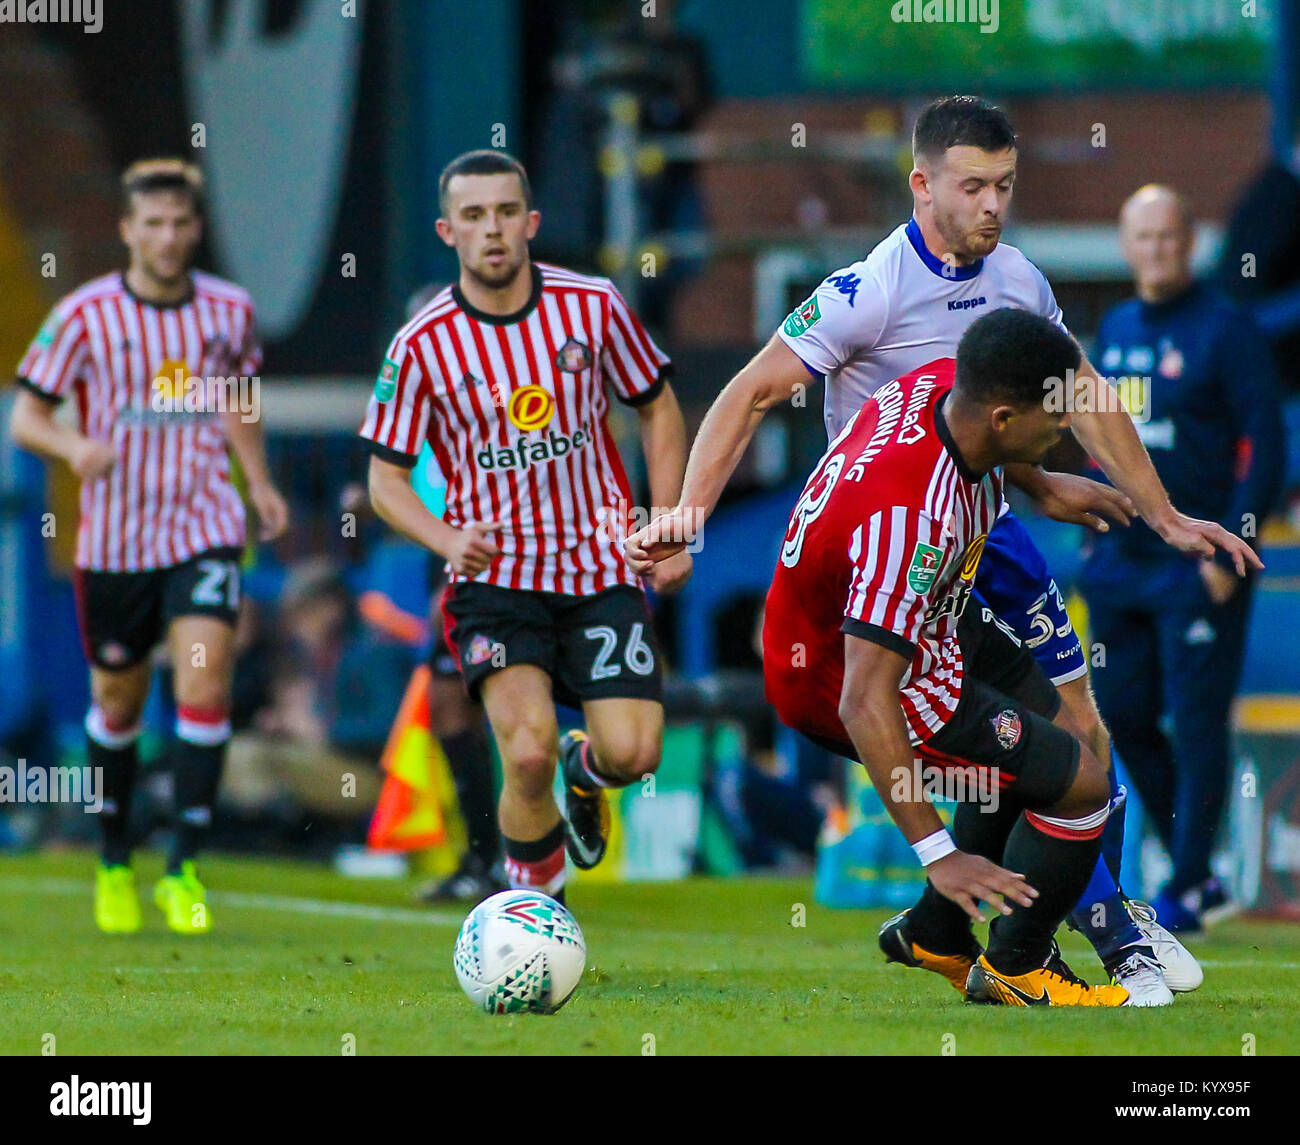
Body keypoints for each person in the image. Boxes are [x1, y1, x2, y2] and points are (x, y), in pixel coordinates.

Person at [627, 95, 1251, 1002]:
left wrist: (1155, 513)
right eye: (973, 186)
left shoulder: (1021, 281)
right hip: (896, 557)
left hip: (985, 535)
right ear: (921, 185)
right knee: (1043, 750)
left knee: (1074, 722)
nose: (993, 204)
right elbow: (752, 392)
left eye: (1005, 184)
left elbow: (1077, 395)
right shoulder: (866, 290)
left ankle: (966, 924)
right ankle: (1084, 924)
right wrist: (686, 512)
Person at [765, 309, 1141, 1004]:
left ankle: (936, 934)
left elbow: (987, 445)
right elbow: (862, 697)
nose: (1065, 429)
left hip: (932, 612)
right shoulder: (910, 523)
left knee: (1058, 732)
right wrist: (939, 854)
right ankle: (1018, 964)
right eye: (1054, 414)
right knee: (1082, 787)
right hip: (843, 671)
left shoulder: (939, 382)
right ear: (1002, 416)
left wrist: (1044, 485)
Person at [361, 150, 691, 905]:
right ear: (449, 231)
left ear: (531, 221)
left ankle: (589, 771)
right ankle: (536, 914)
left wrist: (669, 522)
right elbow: (383, 481)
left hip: (600, 569)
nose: (493, 230)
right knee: (528, 751)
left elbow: (658, 404)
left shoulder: (594, 306)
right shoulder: (421, 344)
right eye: (474, 216)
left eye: (506, 212)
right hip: (494, 583)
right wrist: (445, 539)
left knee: (634, 752)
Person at [8, 158, 289, 934]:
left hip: (203, 527)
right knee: (117, 701)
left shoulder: (229, 311)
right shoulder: (86, 315)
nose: (167, 238)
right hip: (116, 542)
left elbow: (238, 402)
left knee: (203, 684)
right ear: (130, 230)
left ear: (196, 231)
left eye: (179, 224)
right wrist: (71, 446)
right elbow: (25, 415)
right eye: (153, 224)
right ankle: (110, 859)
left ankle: (184, 866)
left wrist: (257, 481)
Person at [1086, 185, 1286, 932]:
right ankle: (1193, 870)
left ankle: (1192, 879)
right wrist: (1090, 520)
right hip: (1119, 563)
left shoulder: (1228, 331)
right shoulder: (1117, 326)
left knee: (1198, 722)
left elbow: (1265, 446)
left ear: (1191, 238)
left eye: (1169, 236)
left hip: (1199, 561)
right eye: (1143, 237)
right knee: (1126, 714)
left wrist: (1232, 547)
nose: (1157, 250)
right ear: (1125, 241)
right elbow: (1105, 436)